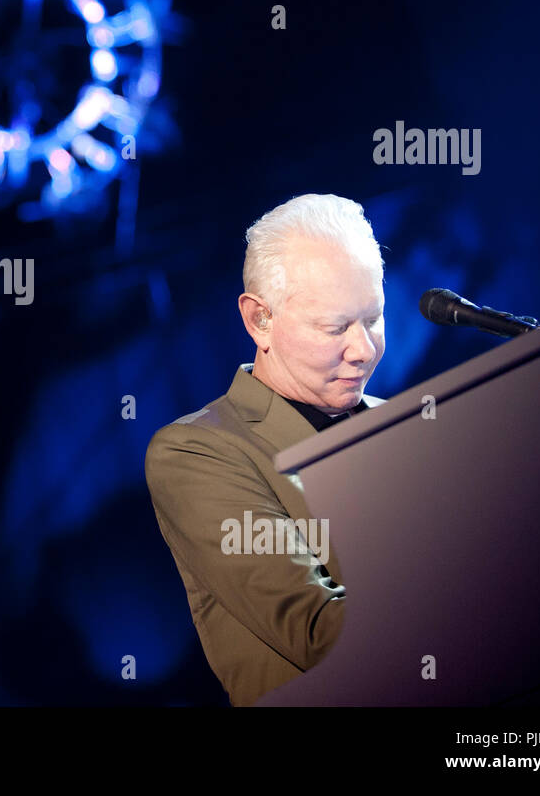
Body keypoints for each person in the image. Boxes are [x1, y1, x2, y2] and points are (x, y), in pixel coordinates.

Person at [144, 193, 387, 706]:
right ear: (259, 321)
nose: (363, 349)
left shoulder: (403, 421)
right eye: (335, 327)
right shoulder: (196, 452)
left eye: (373, 318)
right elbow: (320, 632)